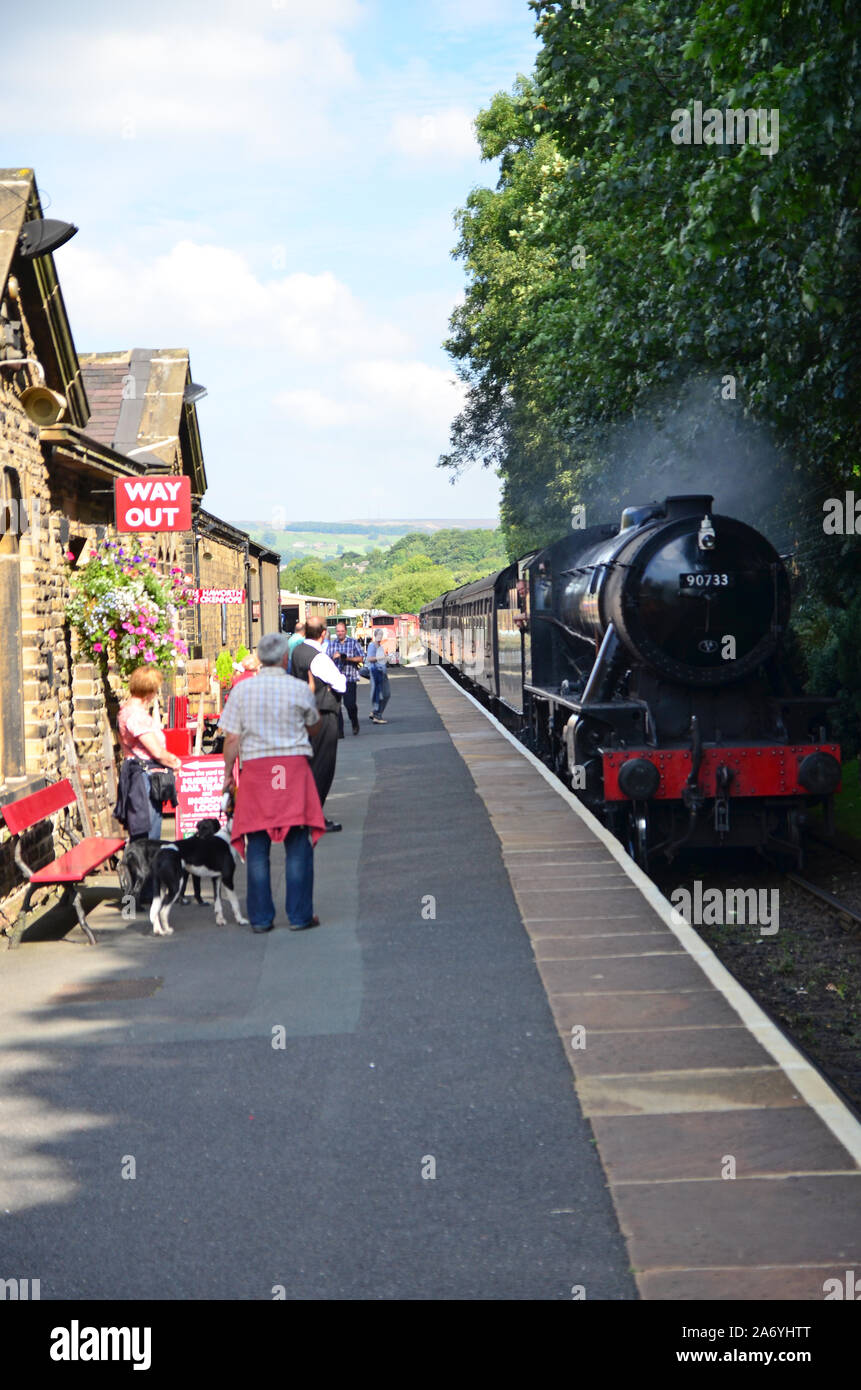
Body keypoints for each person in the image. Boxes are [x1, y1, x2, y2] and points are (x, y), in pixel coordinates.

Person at [217, 631, 326, 932]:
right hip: (292, 769)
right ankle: (300, 916)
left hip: (257, 772)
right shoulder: (299, 688)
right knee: (297, 841)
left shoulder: (240, 692)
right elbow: (314, 727)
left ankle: (262, 919)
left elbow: (232, 738)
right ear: (284, 658)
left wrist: (228, 774)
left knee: (258, 844)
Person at [289, 619, 346, 831]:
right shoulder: (319, 657)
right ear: (323, 634)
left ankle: (306, 814)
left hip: (304, 715)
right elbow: (340, 682)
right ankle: (315, 818)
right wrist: (332, 688)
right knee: (323, 767)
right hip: (323, 715)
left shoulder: (297, 652)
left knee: (310, 766)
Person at [115, 665, 183, 840]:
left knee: (147, 833)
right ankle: (148, 868)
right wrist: (174, 762)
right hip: (143, 778)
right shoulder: (135, 716)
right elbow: (156, 751)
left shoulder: (127, 710)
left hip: (140, 774)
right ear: (150, 691)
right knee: (148, 836)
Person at [325, 620, 364, 736]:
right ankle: (339, 731)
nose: (340, 633)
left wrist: (346, 658)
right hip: (336, 679)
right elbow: (326, 661)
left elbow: (361, 658)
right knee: (336, 705)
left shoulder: (353, 643)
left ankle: (354, 721)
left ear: (345, 631)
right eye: (338, 631)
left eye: (342, 631)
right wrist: (333, 658)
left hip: (349, 678)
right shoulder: (332, 644)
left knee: (349, 704)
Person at [366, 628, 391, 724]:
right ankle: (377, 715)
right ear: (375, 635)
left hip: (381, 672)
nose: (380, 636)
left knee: (385, 694)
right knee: (381, 694)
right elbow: (370, 658)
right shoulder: (372, 645)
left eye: (381, 634)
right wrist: (383, 657)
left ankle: (375, 712)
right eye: (379, 634)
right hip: (375, 672)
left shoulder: (379, 646)